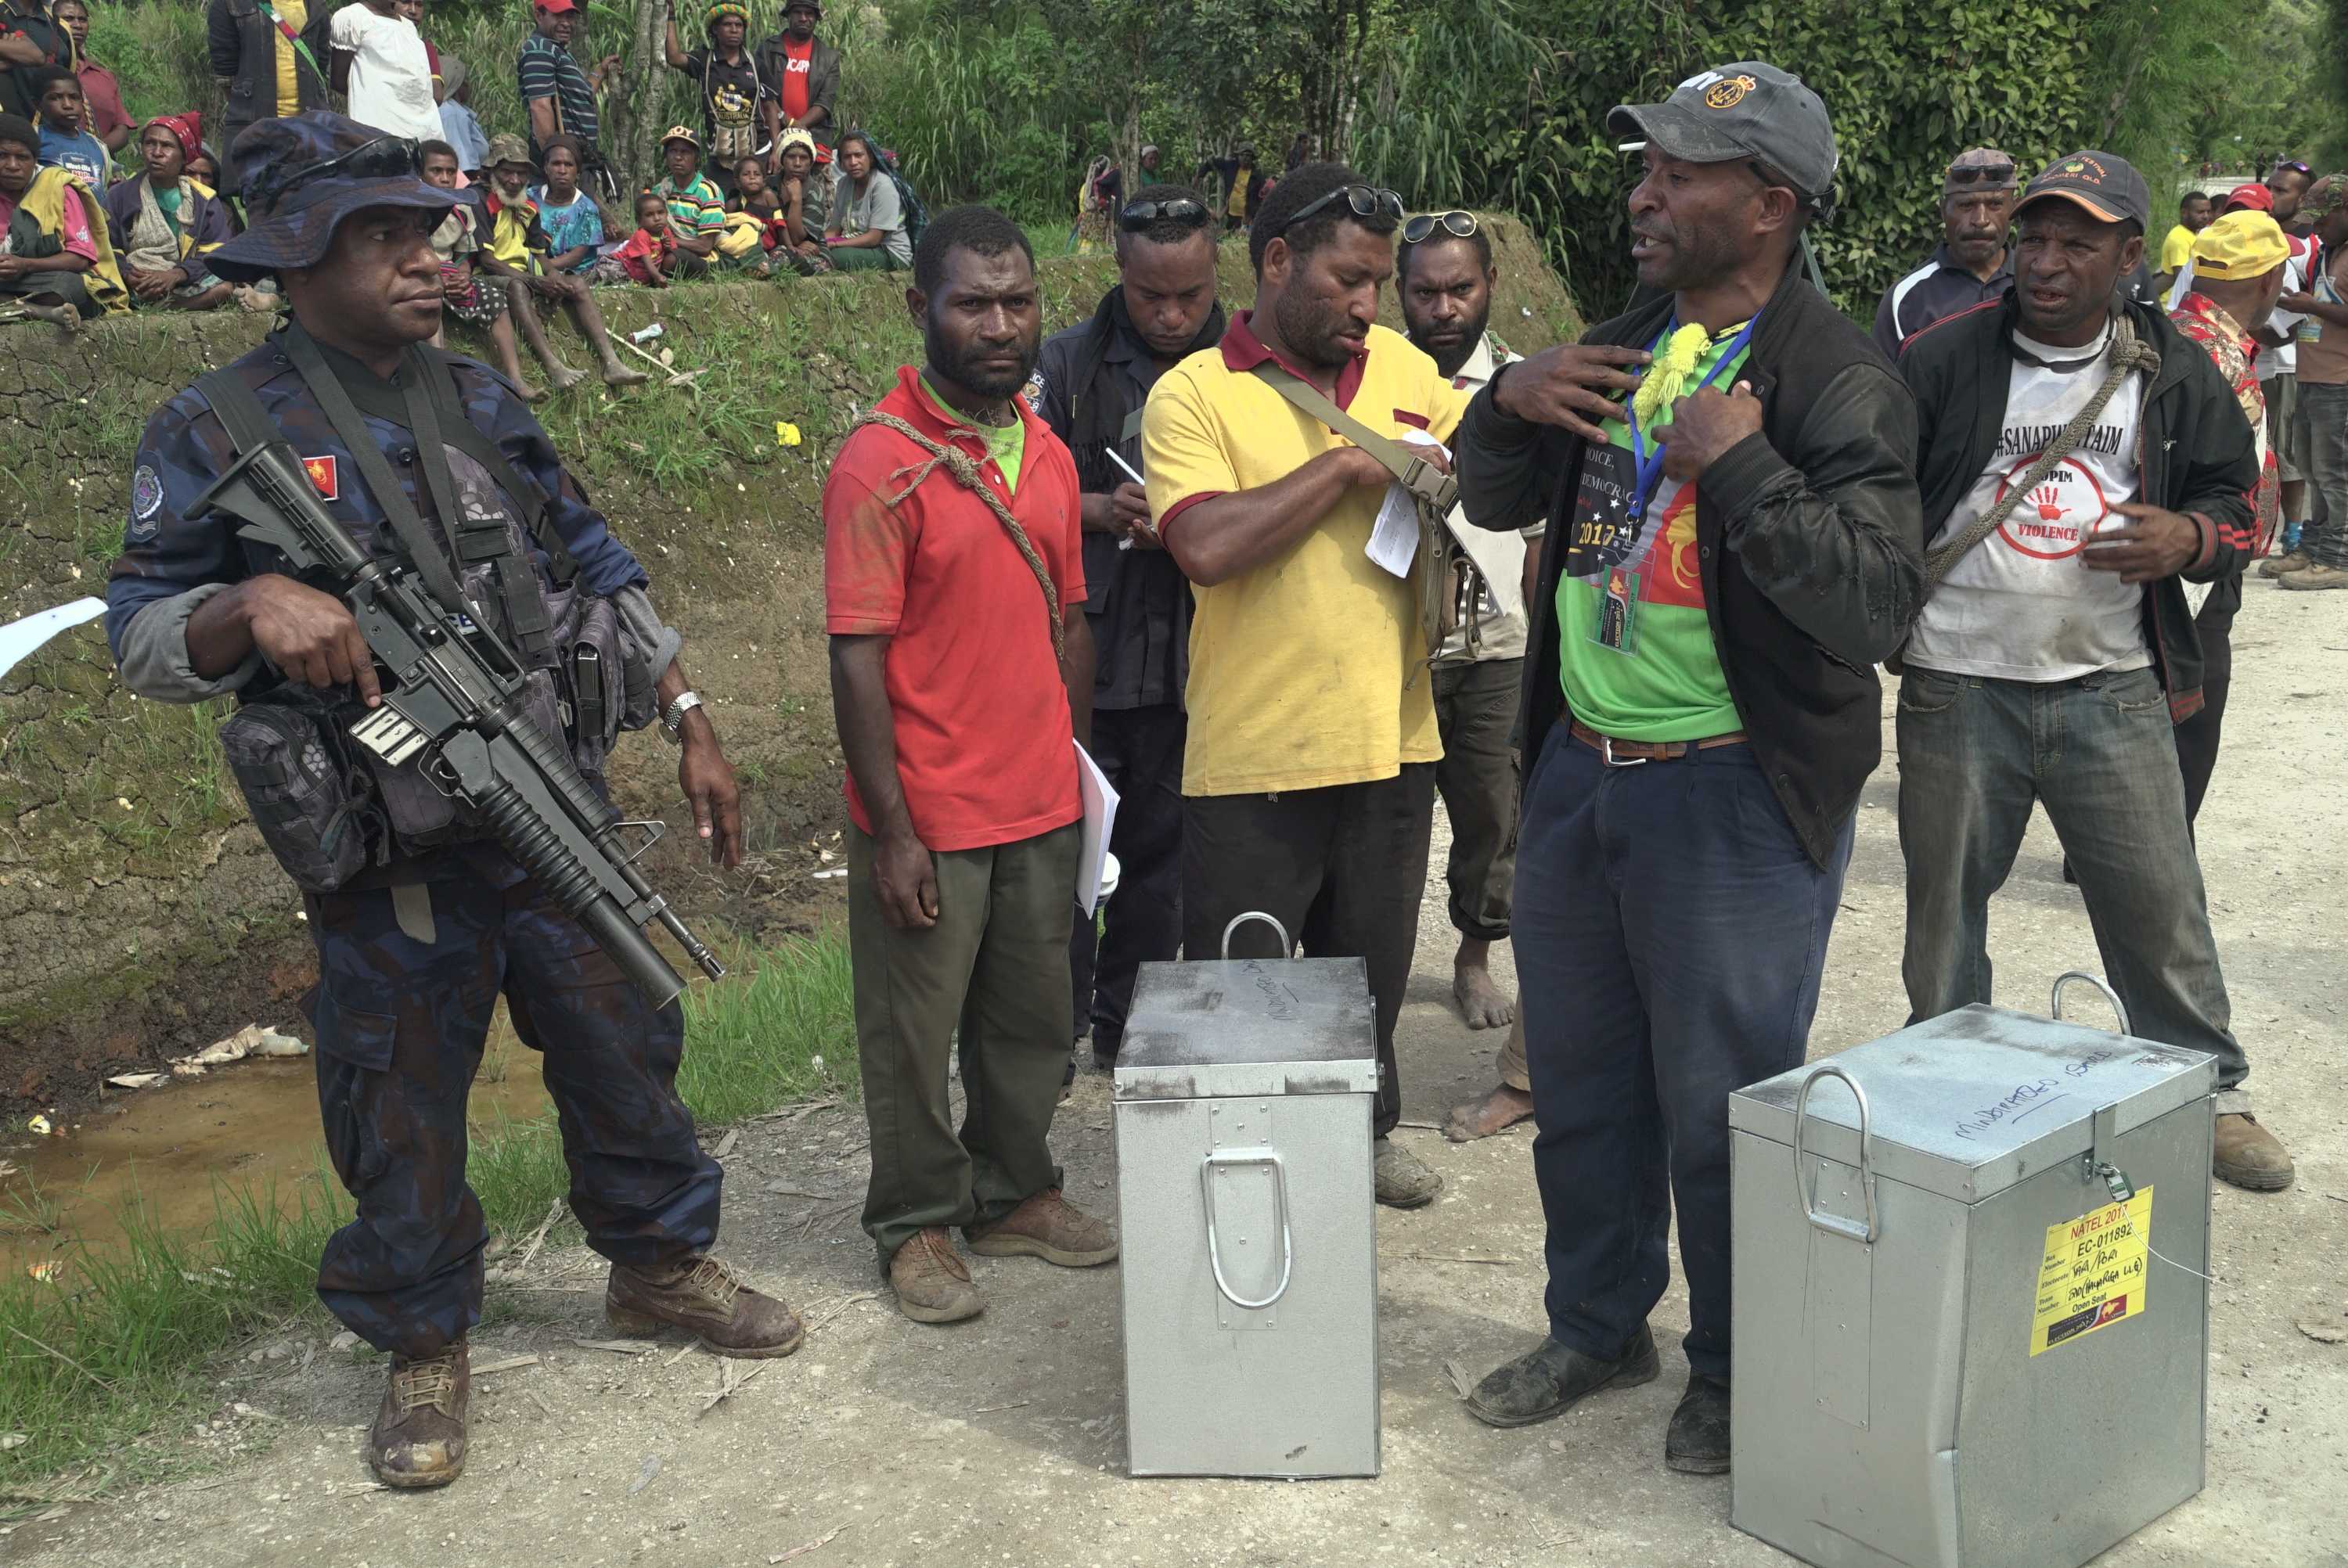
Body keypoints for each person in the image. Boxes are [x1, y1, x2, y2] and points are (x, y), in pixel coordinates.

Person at [102, 110, 802, 1491]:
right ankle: (423, 1336)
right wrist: (248, 600)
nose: (425, 259)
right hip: (391, 841)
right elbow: (136, 630)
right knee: (401, 1086)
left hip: (542, 788)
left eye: (424, 231)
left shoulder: (480, 393)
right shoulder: (213, 425)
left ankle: (657, 1261)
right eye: (384, 237)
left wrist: (690, 712)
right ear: (297, 258)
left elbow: (595, 558)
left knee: (623, 1027)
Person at [1453, 63, 1922, 1474]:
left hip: (1728, 795)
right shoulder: (1620, 338)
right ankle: (1600, 1322)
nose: (1644, 193)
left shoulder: (1837, 376)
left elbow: (1876, 606)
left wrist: (1744, 469)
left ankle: (1733, 1363)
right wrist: (1508, 407)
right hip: (1582, 775)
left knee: (1725, 1099)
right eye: (1645, 165)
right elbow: (1487, 496)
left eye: (1679, 173)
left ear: (1769, 205)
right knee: (1586, 1084)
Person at [1896, 150, 2291, 1193]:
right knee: (1943, 915)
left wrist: (2191, 539)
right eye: (2035, 237)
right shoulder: (1944, 357)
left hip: (2110, 684)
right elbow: (1877, 491)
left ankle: (2206, 1090)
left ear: (2129, 254)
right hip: (1954, 683)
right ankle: (1941, 1083)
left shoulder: (2174, 367)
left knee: (2158, 906)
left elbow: (2247, 508)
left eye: (2078, 241)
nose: (2047, 260)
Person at [1140, 162, 1465, 1210]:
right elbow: (1202, 545)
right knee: (1252, 989)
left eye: (1379, 282)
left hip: (1393, 739)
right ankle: (1251, 1163)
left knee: (1366, 973)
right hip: (1254, 757)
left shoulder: (1408, 369)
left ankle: (1363, 1137)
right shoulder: (1193, 392)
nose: (1370, 306)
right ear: (1278, 261)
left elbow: (1475, 476)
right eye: (1348, 280)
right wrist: (1346, 467)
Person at [825, 205, 1117, 1324]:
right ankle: (915, 1222)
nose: (999, 326)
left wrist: (1074, 766)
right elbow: (857, 657)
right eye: (972, 304)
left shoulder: (1042, 450)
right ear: (920, 311)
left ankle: (1013, 1190)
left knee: (1033, 1022)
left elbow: (1072, 622)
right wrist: (892, 829)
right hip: (932, 813)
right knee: (912, 1039)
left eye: (1018, 303)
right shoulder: (877, 465)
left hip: (1040, 801)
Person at [1025, 182, 1222, 1076]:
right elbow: (1007, 491)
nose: (1175, 315)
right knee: (1069, 855)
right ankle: (1052, 1031)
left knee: (1163, 862)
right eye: (1154, 297)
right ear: (1119, 268)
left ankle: (1128, 1029)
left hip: (1197, 653)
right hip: (1082, 658)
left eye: (1193, 294)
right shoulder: (1062, 367)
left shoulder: (1245, 366)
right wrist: (1100, 508)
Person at [1393, 210, 1532, 1052]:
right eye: (1425, 291)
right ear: (1398, 296)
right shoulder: (1372, 379)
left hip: (1498, 640)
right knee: (1389, 817)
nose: (1444, 307)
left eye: (1461, 289)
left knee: (1492, 809)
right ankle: (1374, 959)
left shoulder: (1523, 386)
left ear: (1488, 289)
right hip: (1397, 640)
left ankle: (1474, 957)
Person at [2166, 210, 2289, 841]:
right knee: (2192, 708)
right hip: (2202, 566)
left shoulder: (2171, 329)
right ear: (2269, 280)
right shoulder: (2220, 357)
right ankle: (2157, 855)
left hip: (2177, 553)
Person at [477, 134, 645, 390]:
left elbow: (540, 255)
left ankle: (612, 363)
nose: (514, 180)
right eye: (507, 172)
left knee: (576, 283)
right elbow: (488, 261)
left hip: (526, 272)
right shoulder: (480, 200)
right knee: (518, 287)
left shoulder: (528, 203)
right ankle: (553, 366)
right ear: (492, 170)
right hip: (492, 274)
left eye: (521, 173)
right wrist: (537, 281)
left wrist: (554, 279)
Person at [1871, 148, 2015, 358]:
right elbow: (1882, 384)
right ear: (1943, 210)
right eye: (1966, 205)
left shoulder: (2035, 284)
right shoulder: (1907, 299)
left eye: (1995, 204)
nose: (1981, 220)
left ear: (2014, 208)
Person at [2281, 172, 2348, 590]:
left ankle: (2338, 558)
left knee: (2335, 471)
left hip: (2340, 381)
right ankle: (2316, 545)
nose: (2316, 226)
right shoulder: (2328, 252)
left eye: (2324, 218)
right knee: (2311, 468)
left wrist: (2313, 308)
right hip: (2312, 373)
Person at [0, 109, 124, 326]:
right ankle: (37, 312)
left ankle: (18, 307)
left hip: (41, 279)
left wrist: (25, 265)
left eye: (22, 157)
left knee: (69, 286)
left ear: (35, 160)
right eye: (2, 156)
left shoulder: (58, 188)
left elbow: (79, 259)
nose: (12, 165)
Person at [103, 113, 236, 312]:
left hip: (183, 281)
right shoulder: (120, 195)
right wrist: (128, 273)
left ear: (184, 156)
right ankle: (148, 302)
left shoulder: (204, 200)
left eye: (167, 146)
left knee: (224, 287)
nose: (157, 152)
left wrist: (177, 274)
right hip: (137, 282)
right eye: (150, 143)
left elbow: (215, 251)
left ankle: (175, 306)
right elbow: (105, 244)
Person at [207, 0, 331, 196]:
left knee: (311, 198)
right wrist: (249, 109)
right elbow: (225, 67)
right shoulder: (231, 4)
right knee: (261, 200)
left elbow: (321, 59)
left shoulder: (316, 4)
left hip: (309, 129)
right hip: (258, 127)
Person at [664, 1, 772, 192]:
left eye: (739, 25)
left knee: (758, 206)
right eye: (727, 25)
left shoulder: (756, 64)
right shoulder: (705, 61)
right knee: (720, 204)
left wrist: (776, 151)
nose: (734, 30)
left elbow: (771, 107)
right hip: (721, 155)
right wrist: (670, 17)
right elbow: (674, 58)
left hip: (757, 152)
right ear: (715, 29)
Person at [517, 0, 617, 174]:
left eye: (569, 17)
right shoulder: (540, 50)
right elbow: (540, 107)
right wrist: (554, 161)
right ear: (539, 16)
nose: (566, 23)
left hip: (575, 158)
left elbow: (583, 93)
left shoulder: (557, 51)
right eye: (557, 15)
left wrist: (601, 70)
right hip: (562, 163)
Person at [330, 0, 441, 143]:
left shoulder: (408, 26)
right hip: (377, 131)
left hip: (424, 131)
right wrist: (377, 98)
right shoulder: (352, 17)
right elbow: (339, 81)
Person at [754, 0, 837, 156]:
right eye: (798, 12)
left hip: (814, 136)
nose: (803, 18)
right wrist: (783, 119)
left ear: (816, 18)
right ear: (788, 15)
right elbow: (762, 91)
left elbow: (825, 102)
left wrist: (795, 126)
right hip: (770, 135)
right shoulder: (767, 49)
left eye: (809, 13)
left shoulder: (829, 57)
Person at [49, 0, 129, 157]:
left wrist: (94, 153)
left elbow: (122, 128)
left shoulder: (104, 76)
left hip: (101, 168)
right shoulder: (42, 70)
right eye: (68, 18)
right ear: (50, 22)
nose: (77, 25)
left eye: (83, 19)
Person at [825, 128, 909, 272]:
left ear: (870, 157)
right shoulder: (844, 184)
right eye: (847, 157)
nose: (853, 162)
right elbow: (834, 230)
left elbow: (874, 238)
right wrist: (816, 243)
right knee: (820, 251)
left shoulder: (883, 185)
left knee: (836, 256)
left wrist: (834, 243)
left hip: (890, 253)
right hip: (859, 247)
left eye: (859, 155)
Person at [651, 124, 729, 275]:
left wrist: (671, 241)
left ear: (696, 158)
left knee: (670, 260)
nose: (678, 157)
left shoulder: (708, 191)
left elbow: (705, 247)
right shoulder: (660, 190)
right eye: (673, 151)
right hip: (664, 247)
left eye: (685, 152)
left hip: (701, 258)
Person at [31, 66, 106, 192]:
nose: (68, 105)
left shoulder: (97, 145)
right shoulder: (34, 139)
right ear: (38, 104)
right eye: (56, 98)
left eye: (74, 97)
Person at [770, 125, 828, 274]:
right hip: (775, 244)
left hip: (810, 250)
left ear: (810, 162)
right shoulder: (768, 186)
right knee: (778, 255)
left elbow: (797, 239)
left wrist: (796, 200)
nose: (797, 163)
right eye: (791, 157)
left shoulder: (814, 191)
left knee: (809, 262)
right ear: (782, 159)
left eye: (803, 158)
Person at [0, 0, 64, 124]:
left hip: (48, 128)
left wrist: (12, 56)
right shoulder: (2, 10)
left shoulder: (61, 27)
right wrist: (14, 52)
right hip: (8, 122)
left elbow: (36, 55)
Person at [610, 187, 677, 286]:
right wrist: (658, 277)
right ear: (639, 221)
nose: (657, 218)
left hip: (640, 273)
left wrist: (666, 247)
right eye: (649, 215)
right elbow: (647, 261)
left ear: (667, 214)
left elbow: (671, 253)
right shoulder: (642, 235)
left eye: (661, 212)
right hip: (621, 266)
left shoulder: (666, 232)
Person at [435, 55, 487, 180]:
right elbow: (463, 164)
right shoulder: (452, 113)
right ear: (456, 84)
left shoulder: (456, 111)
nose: (469, 87)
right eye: (465, 82)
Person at [2156, 189, 2216, 292]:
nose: (2206, 216)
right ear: (2184, 213)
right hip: (2174, 305)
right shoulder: (2179, 238)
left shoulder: (2194, 234)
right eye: (2200, 212)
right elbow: (2184, 280)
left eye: (2208, 212)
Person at [1197, 144, 1262, 232]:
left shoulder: (1257, 176)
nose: (1245, 158)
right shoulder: (1231, 166)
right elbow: (1212, 162)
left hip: (1247, 218)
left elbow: (1261, 197)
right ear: (1238, 156)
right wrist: (1199, 176)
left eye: (1248, 155)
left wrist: (1251, 215)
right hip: (1231, 214)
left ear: (1252, 158)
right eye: (1242, 155)